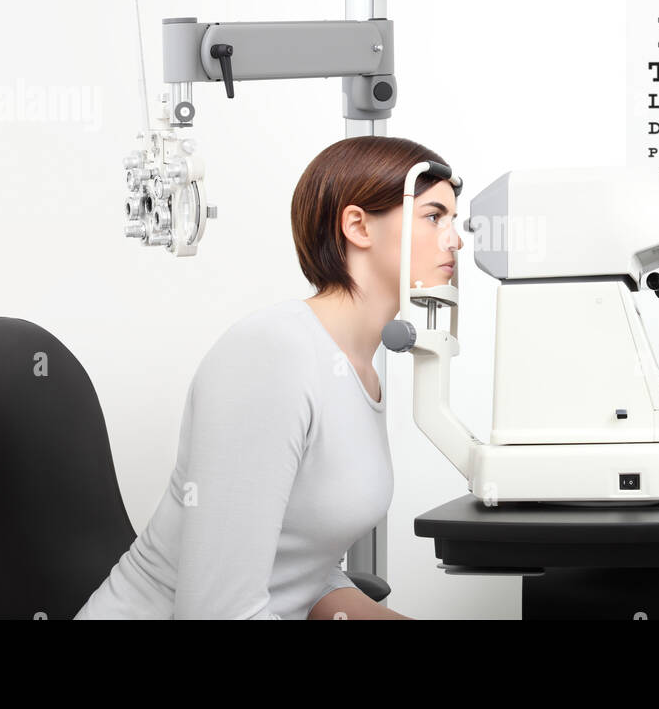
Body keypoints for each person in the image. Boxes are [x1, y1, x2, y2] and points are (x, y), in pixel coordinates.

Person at [74, 135, 463, 620]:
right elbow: (215, 613)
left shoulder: (361, 367)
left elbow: (305, 568)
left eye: (453, 219)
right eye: (433, 216)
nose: (455, 238)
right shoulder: (272, 354)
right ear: (358, 226)